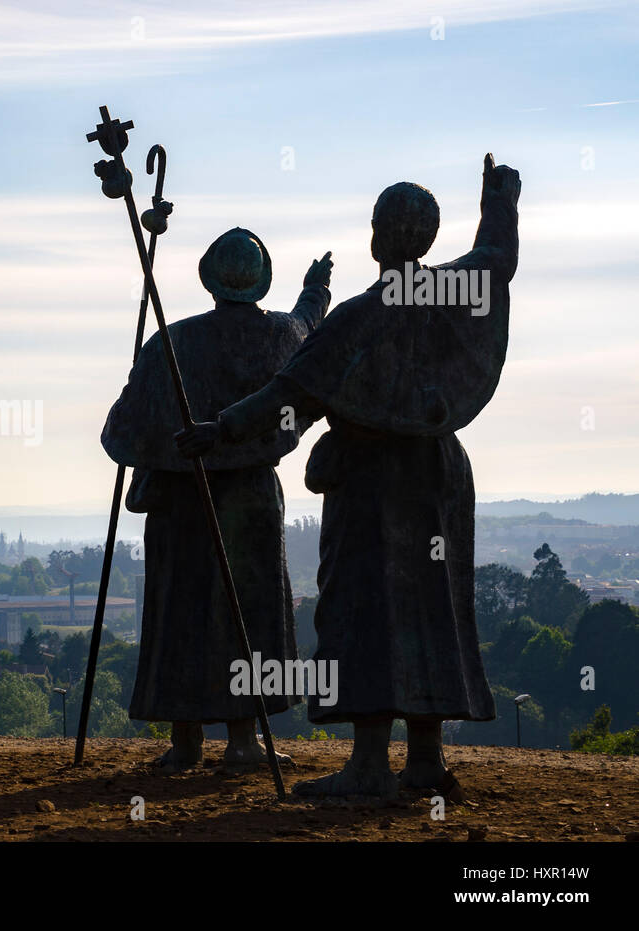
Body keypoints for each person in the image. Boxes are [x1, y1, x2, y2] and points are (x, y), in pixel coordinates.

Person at [176, 155, 520, 796]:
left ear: (376, 235)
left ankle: (368, 764)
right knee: (430, 610)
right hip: (439, 474)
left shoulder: (359, 318)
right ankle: (424, 760)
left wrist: (219, 429)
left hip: (372, 481)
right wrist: (498, 199)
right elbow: (498, 257)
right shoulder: (452, 293)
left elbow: (290, 392)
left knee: (366, 608)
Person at [102, 228, 332, 770]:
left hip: (181, 497)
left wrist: (160, 447)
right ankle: (243, 741)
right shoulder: (280, 335)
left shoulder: (170, 342)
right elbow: (307, 332)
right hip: (250, 494)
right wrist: (317, 290)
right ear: (260, 281)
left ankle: (184, 743)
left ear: (210, 280)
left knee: (180, 611)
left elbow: (121, 433)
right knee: (246, 613)